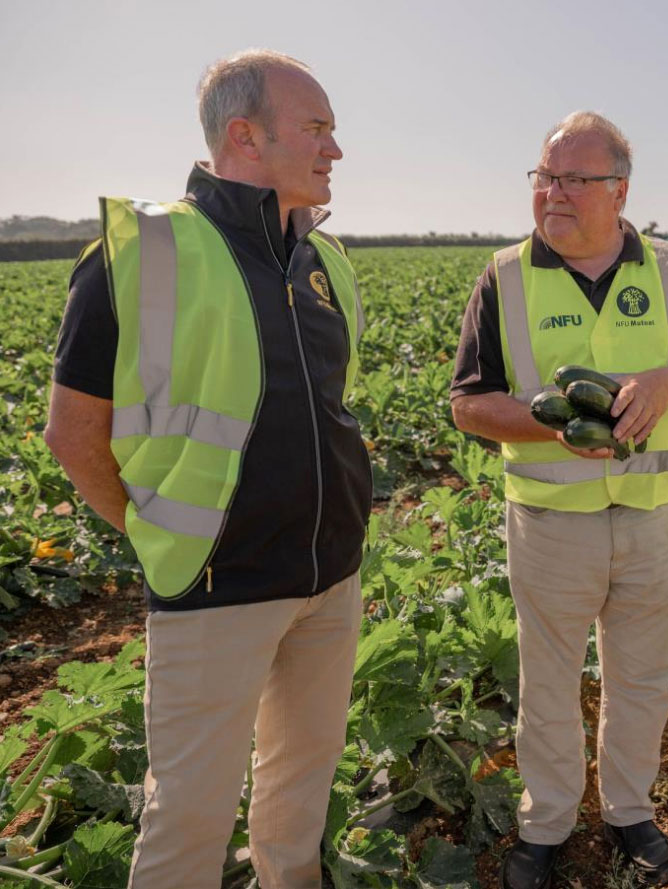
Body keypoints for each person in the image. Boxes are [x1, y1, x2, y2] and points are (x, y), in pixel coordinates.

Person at [46, 50, 369, 889]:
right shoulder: (140, 254)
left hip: (328, 580)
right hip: (213, 588)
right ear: (244, 135)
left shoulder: (325, 262)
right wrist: (159, 531)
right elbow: (73, 433)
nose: (335, 149)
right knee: (189, 817)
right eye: (317, 128)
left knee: (299, 797)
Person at [450, 111, 668, 889]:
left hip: (655, 516)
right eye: (543, 176)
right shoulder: (505, 276)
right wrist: (551, 428)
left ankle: (628, 813)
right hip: (550, 523)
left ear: (618, 190)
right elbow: (469, 405)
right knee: (547, 682)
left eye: (573, 180)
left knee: (643, 677)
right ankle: (544, 824)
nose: (553, 193)